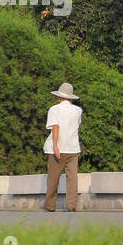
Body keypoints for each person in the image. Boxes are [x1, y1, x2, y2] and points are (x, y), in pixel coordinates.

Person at [42, 82, 83, 212]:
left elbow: (55, 127)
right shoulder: (78, 110)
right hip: (73, 148)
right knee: (72, 178)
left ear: (60, 97)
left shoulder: (54, 109)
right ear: (70, 97)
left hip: (57, 149)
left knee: (53, 178)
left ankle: (50, 205)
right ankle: (71, 205)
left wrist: (55, 146)